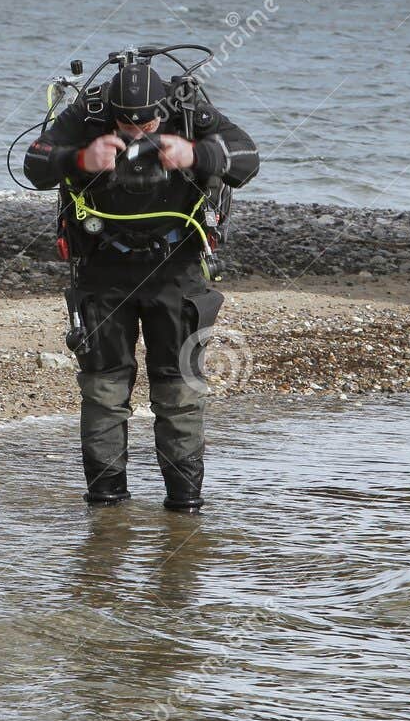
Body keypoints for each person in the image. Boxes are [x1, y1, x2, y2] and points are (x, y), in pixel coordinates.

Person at [23, 56, 259, 513]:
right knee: (103, 392)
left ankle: (184, 507)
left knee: (180, 392)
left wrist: (196, 153)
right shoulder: (89, 114)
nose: (136, 133)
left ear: (162, 109)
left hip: (177, 269)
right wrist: (79, 158)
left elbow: (248, 158)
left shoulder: (189, 112)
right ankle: (106, 506)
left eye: (146, 123)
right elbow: (33, 164)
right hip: (103, 267)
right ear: (110, 110)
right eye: (125, 125)